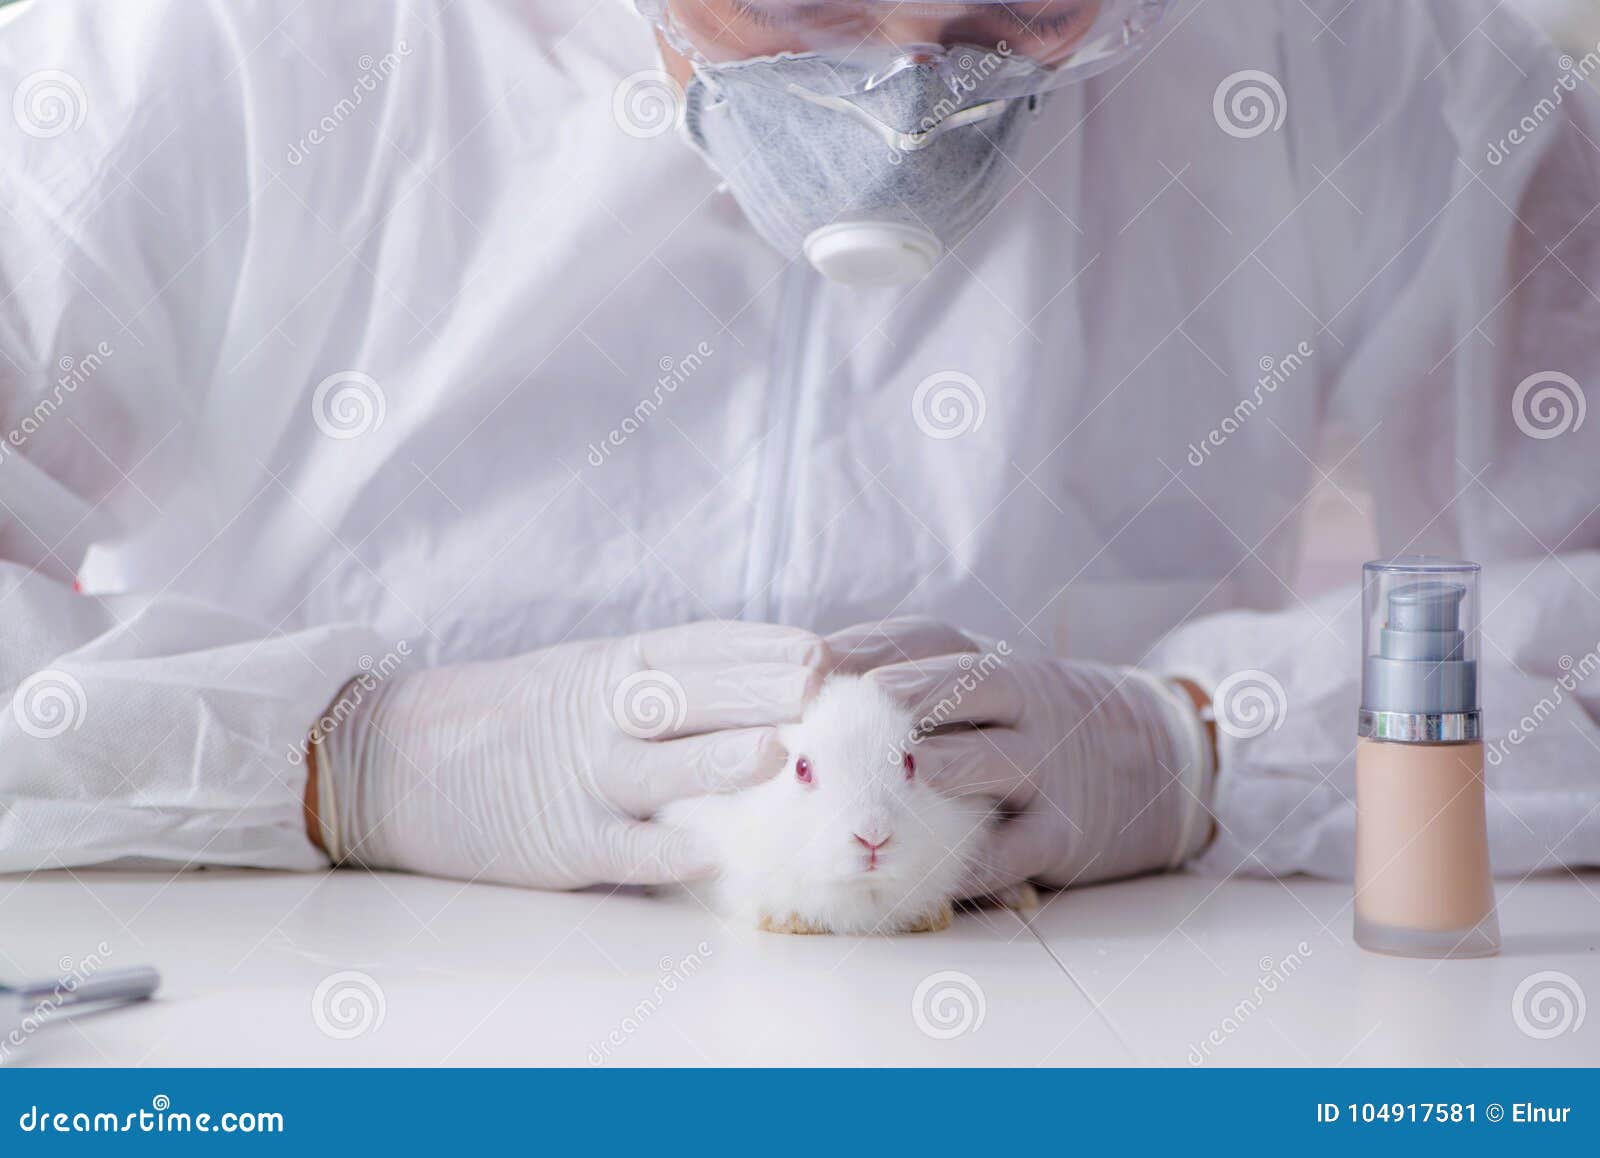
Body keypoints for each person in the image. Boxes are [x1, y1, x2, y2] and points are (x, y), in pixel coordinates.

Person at [2, 0, 1597, 895]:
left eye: (1019, 18)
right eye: (798, 7)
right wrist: (333, 756)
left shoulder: (1376, 56)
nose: (906, 94)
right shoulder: (195, 51)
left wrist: (1214, 749)